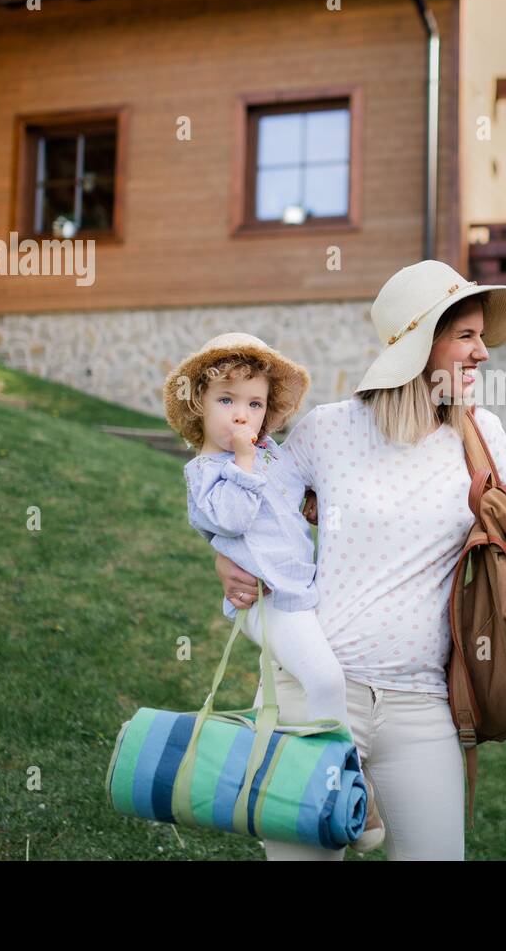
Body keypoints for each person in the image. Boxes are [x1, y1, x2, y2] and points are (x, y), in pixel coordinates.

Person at [212, 259, 506, 861]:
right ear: (419, 342)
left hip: (424, 706)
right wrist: (223, 559)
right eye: (466, 335)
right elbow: (244, 509)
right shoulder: (327, 431)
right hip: (315, 696)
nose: (483, 353)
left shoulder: (479, 434)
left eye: (482, 337)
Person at [162, 332, 385, 851]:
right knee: (326, 682)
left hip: (300, 594)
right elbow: (234, 519)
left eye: (255, 403)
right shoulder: (206, 472)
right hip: (266, 602)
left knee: (299, 697)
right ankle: (353, 787)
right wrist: (241, 460)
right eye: (227, 400)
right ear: (199, 404)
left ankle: (299, 786)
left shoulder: (269, 455)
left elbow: (291, 496)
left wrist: (307, 498)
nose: (243, 414)